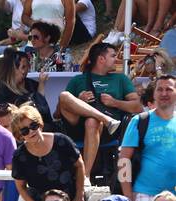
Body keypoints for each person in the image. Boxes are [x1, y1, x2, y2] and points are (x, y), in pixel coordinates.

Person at [59, 41, 139, 179]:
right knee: (64, 96)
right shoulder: (78, 79)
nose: (117, 59)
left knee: (92, 121)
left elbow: (138, 106)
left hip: (109, 130)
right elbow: (58, 111)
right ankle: (105, 119)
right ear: (101, 59)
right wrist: (79, 100)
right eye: (113, 56)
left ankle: (85, 176)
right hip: (77, 124)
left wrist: (115, 102)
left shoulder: (120, 79)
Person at [11, 104, 86, 201]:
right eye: (24, 131)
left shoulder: (62, 141)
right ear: (19, 135)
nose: (31, 132)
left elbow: (80, 166)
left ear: (40, 124)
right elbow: (21, 187)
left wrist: (79, 197)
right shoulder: (19, 156)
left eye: (33, 126)